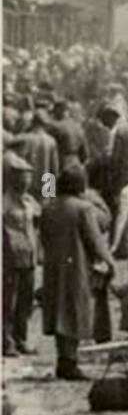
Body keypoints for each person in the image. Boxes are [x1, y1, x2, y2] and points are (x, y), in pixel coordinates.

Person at [40, 164, 116, 379]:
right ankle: (70, 363)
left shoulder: (48, 207)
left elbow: (44, 237)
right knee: (73, 310)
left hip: (54, 265)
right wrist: (109, 262)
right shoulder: (84, 208)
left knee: (58, 311)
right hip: (77, 266)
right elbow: (95, 240)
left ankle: (63, 359)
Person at [2, 153, 41, 356]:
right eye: (22, 178)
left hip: (28, 255)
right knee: (9, 300)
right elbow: (50, 173)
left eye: (28, 178)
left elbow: (40, 213)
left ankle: (20, 338)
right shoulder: (4, 202)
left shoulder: (29, 199)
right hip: (11, 257)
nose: (26, 182)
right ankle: (7, 340)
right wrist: (50, 195)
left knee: (25, 300)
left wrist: (49, 203)